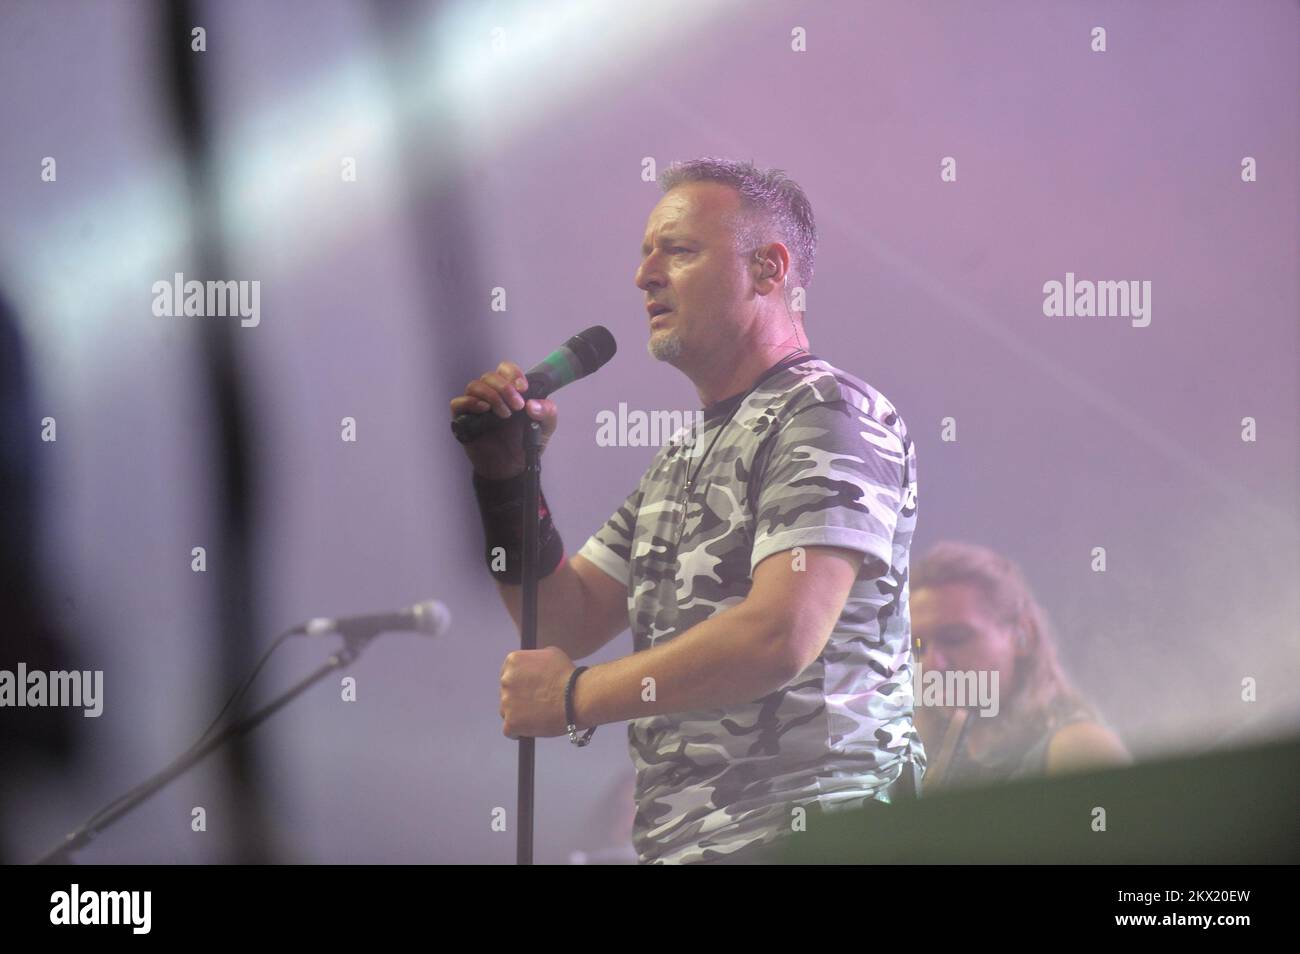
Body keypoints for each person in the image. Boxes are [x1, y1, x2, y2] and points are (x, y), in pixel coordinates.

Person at [451, 157, 922, 864]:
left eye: (678, 250)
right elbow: (560, 621)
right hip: (689, 845)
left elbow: (780, 634)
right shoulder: (679, 460)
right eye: (645, 254)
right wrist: (506, 480)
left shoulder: (826, 412)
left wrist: (575, 696)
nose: (644, 276)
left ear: (767, 270)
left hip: (812, 832)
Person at [910, 540, 1129, 790]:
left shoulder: (1077, 749)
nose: (931, 664)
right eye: (919, 647)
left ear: (1024, 635)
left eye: (955, 638)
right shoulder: (933, 764)